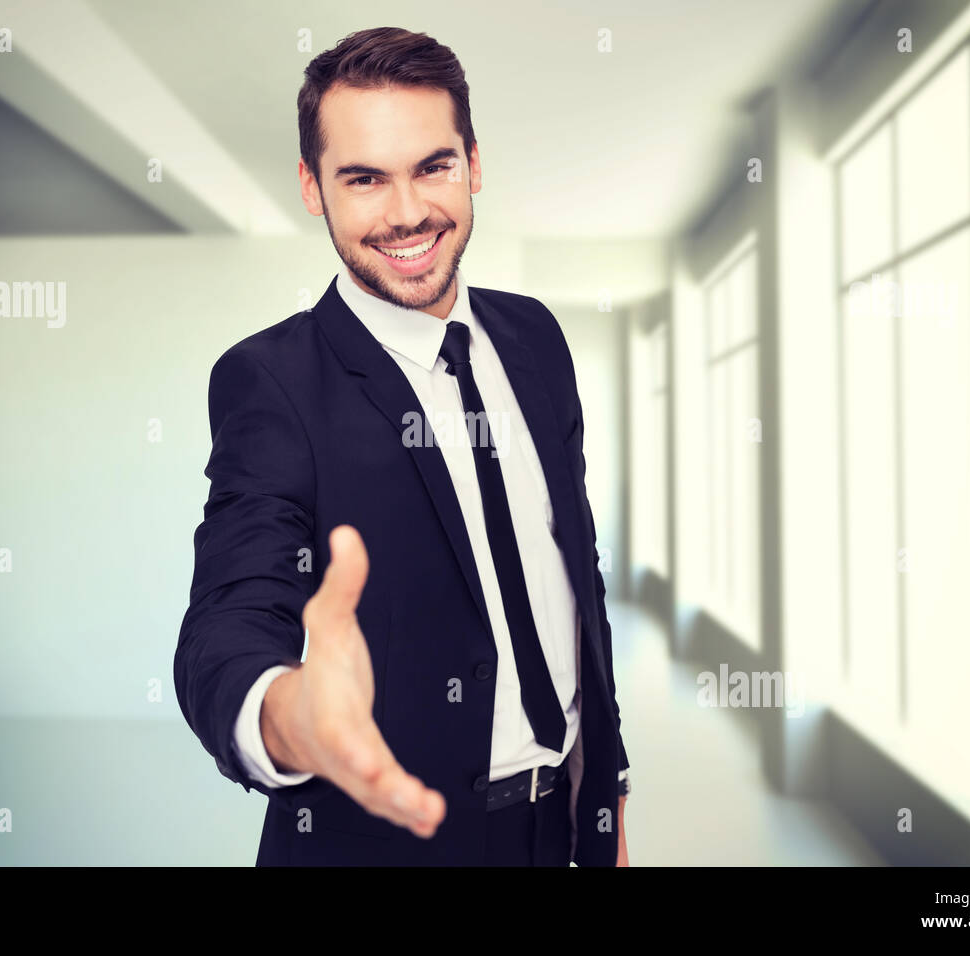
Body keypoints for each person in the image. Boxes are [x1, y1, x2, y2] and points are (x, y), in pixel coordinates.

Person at [174, 26, 630, 866]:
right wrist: (289, 715)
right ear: (313, 187)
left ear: (474, 164)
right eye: (365, 179)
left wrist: (606, 794)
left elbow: (574, 577)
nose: (409, 212)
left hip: (563, 829)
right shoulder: (270, 382)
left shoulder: (535, 338)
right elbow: (227, 620)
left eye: (433, 166)